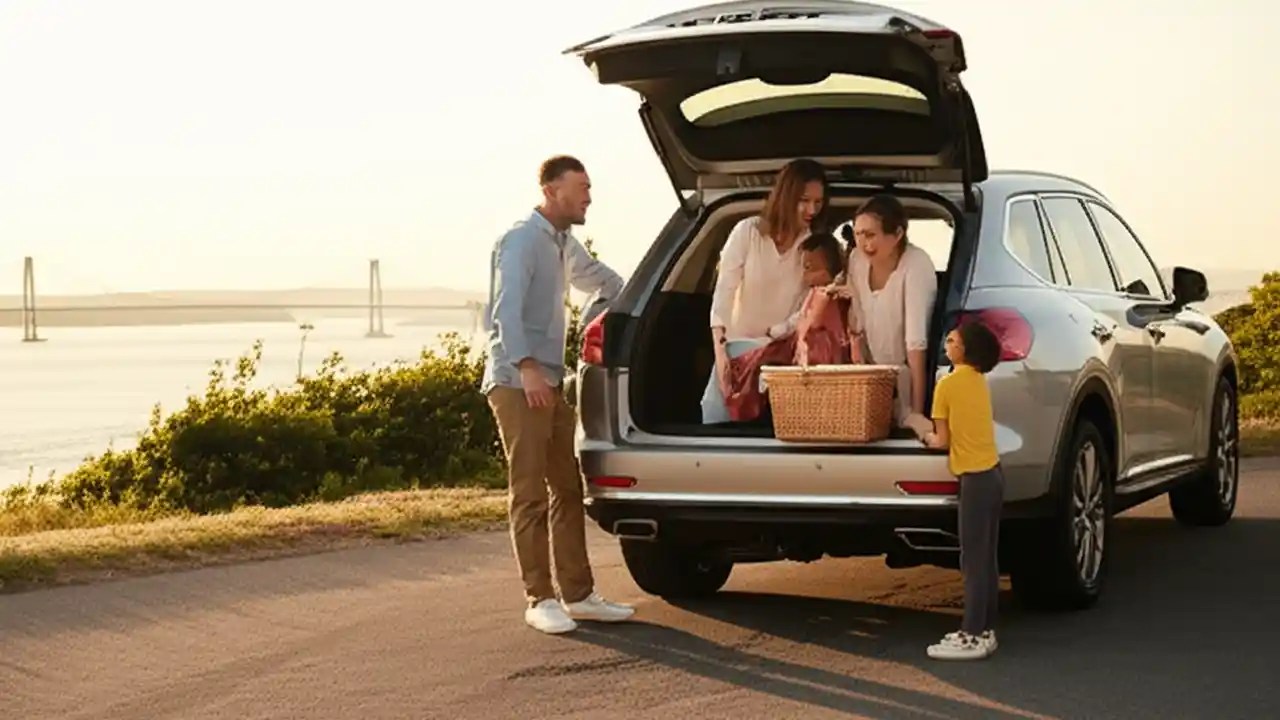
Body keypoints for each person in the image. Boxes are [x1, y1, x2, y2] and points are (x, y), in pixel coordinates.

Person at [482, 155, 635, 634]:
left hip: (548, 380)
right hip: (517, 382)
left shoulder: (564, 243)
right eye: (582, 186)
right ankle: (540, 599)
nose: (589, 196)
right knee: (529, 493)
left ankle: (579, 595)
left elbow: (609, 284)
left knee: (567, 489)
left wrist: (601, 314)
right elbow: (504, 313)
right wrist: (526, 367)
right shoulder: (521, 240)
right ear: (552, 189)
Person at [704, 158, 829, 424]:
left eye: (818, 202)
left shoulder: (812, 247)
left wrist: (778, 334)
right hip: (737, 351)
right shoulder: (747, 232)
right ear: (786, 196)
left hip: (780, 358)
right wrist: (720, 354)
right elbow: (723, 295)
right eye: (804, 200)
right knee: (716, 420)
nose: (812, 210)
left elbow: (806, 308)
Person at [908, 320, 1004, 660]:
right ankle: (985, 629)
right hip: (993, 474)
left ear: (963, 350)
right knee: (986, 558)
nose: (946, 344)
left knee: (972, 560)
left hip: (974, 480)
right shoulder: (978, 380)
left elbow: (941, 440)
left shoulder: (946, 385)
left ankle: (971, 634)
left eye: (951, 340)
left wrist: (921, 432)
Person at [832, 194, 938, 426]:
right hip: (868, 378)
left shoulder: (916, 265)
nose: (864, 244)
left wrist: (917, 411)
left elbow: (916, 344)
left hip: (902, 379)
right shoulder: (856, 260)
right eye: (858, 234)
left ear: (897, 234)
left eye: (871, 235)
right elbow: (856, 322)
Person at [724, 232, 851, 422]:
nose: (804, 275)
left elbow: (803, 321)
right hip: (808, 347)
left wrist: (779, 331)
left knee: (765, 358)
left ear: (827, 270)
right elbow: (798, 319)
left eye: (809, 268)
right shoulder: (816, 294)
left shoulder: (825, 296)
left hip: (817, 352)